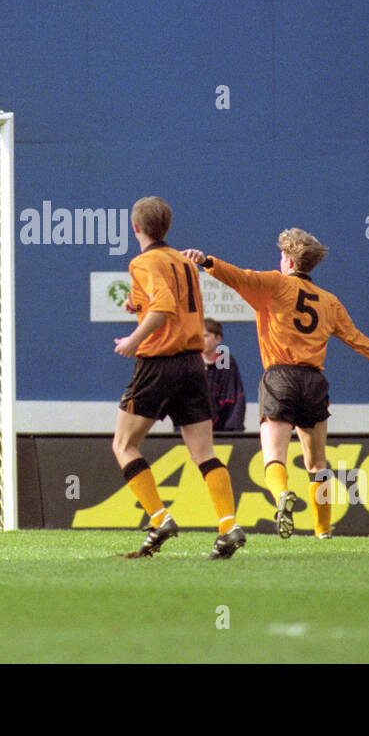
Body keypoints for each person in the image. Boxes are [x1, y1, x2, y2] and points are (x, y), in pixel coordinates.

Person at [183, 229, 369, 540]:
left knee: (274, 454)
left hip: (280, 376)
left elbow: (239, 277)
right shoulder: (329, 301)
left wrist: (207, 261)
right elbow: (357, 339)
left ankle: (282, 495)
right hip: (314, 381)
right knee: (317, 462)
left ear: (288, 259)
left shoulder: (276, 284)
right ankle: (323, 529)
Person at [112, 196, 245, 559]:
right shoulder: (184, 261)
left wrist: (132, 340)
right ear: (166, 227)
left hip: (158, 364)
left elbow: (165, 306)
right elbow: (172, 303)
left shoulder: (142, 260)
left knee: (124, 445)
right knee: (203, 452)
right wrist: (138, 305)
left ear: (135, 227)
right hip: (191, 364)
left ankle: (159, 519)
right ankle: (228, 525)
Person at [173, 319, 246, 433]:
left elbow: (235, 398)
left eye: (206, 336)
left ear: (218, 339)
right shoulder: (189, 362)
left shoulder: (227, 362)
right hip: (193, 428)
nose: (201, 340)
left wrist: (232, 431)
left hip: (222, 430)